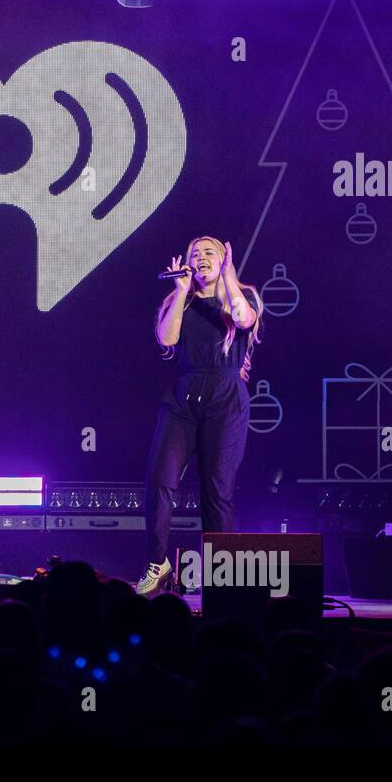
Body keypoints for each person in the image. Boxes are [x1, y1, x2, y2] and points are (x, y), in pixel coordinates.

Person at [137, 237, 262, 596]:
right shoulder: (182, 299)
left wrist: (229, 278)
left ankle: (220, 576)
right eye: (195, 253)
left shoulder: (241, 295)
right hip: (182, 397)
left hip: (225, 398)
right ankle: (158, 563)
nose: (201, 258)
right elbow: (167, 338)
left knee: (216, 490)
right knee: (160, 479)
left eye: (210, 252)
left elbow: (244, 319)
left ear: (223, 259)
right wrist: (180, 292)